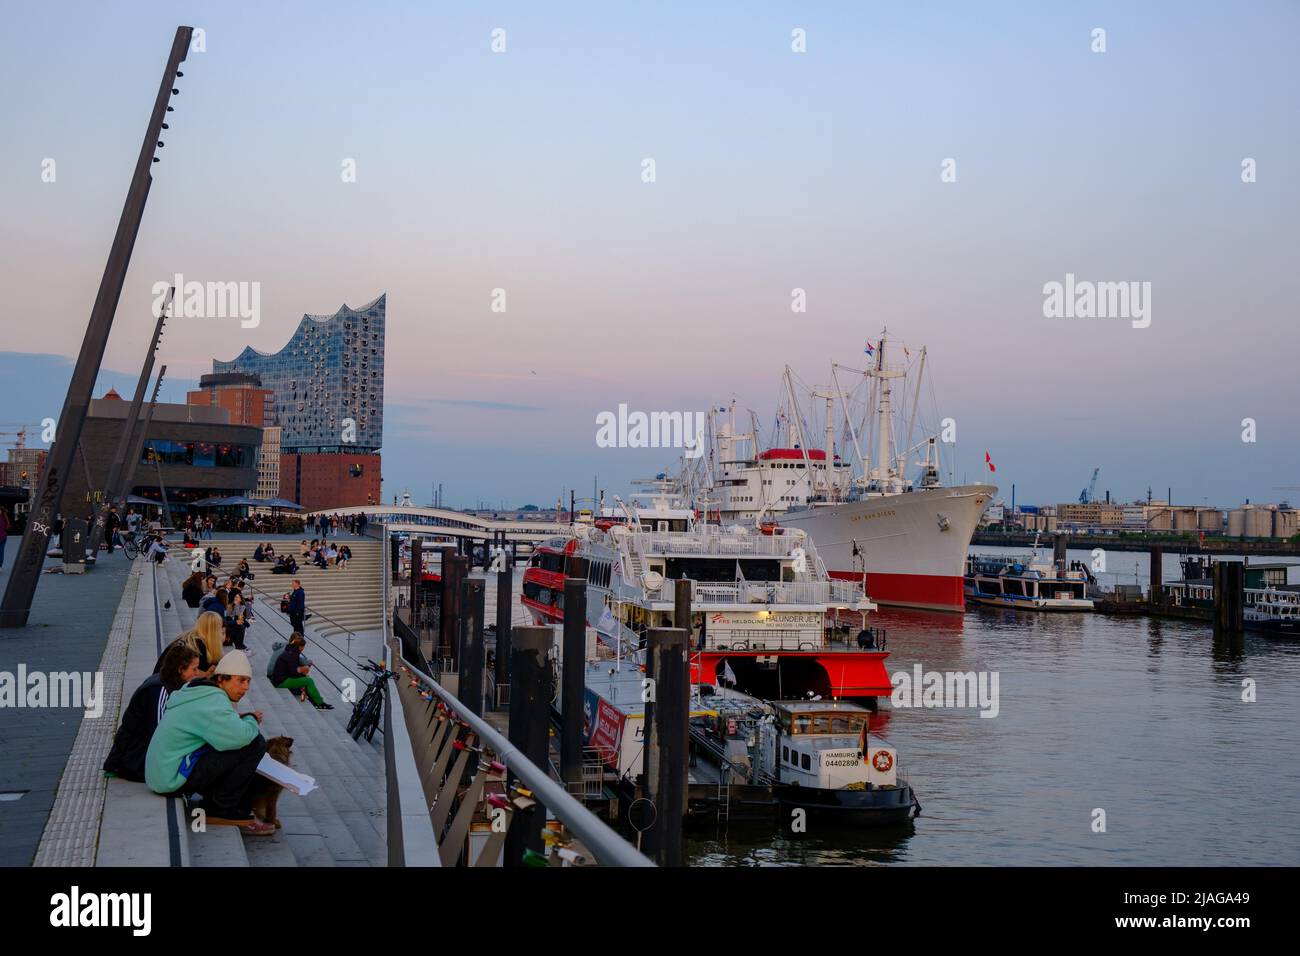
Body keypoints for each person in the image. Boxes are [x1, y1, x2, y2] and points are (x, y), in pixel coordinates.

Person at [145, 650, 274, 835]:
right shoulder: (212, 700)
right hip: (171, 780)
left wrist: (242, 719)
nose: (246, 687)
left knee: (233, 742)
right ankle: (221, 810)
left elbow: (217, 726)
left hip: (162, 773)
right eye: (240, 680)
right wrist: (252, 719)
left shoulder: (199, 691)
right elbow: (242, 737)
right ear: (221, 679)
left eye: (248, 681)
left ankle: (222, 801)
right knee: (255, 743)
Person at [104, 642, 201, 781]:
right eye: (194, 669)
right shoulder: (159, 690)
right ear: (181, 669)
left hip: (139, 752)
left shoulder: (168, 683)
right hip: (133, 758)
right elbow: (160, 734)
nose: (197, 674)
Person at [155, 611, 224, 678]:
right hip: (166, 684)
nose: (221, 632)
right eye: (220, 628)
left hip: (158, 680)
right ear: (214, 631)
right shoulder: (198, 645)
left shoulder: (189, 637)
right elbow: (195, 677)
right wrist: (207, 674)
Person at [271, 633, 333, 709]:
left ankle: (315, 700)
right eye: (303, 647)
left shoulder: (290, 650)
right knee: (308, 681)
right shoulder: (292, 654)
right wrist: (304, 668)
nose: (303, 649)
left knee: (305, 678)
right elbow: (293, 672)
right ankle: (319, 702)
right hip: (281, 682)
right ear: (300, 647)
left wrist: (303, 672)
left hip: (278, 678)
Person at [0, 505, 9, 570]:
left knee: (1, 552)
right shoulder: (4, 518)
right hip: (3, 537)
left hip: (2, 537)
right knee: (1, 552)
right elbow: (7, 527)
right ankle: (0, 566)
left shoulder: (2, 519)